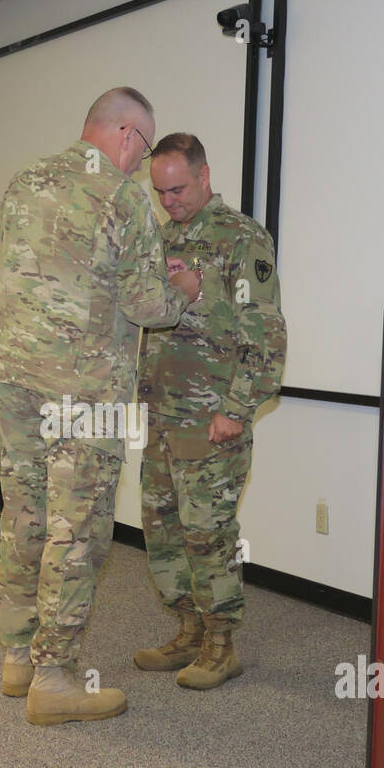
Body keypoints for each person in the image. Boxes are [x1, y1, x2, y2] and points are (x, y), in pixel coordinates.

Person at [0, 87, 202, 725]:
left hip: (16, 381)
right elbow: (147, 308)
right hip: (85, 394)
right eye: (140, 152)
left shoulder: (23, 182)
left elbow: (56, 273)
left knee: (24, 512)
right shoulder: (123, 196)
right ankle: (55, 678)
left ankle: (17, 656)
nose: (139, 167)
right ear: (128, 136)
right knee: (76, 529)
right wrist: (183, 288)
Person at [134, 133, 287, 689]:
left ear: (203, 176)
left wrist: (238, 409)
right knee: (163, 528)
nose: (169, 201)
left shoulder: (240, 238)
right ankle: (188, 630)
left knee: (209, 531)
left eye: (177, 189)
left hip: (211, 419)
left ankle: (222, 645)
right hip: (161, 416)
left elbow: (265, 334)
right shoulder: (162, 239)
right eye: (160, 192)